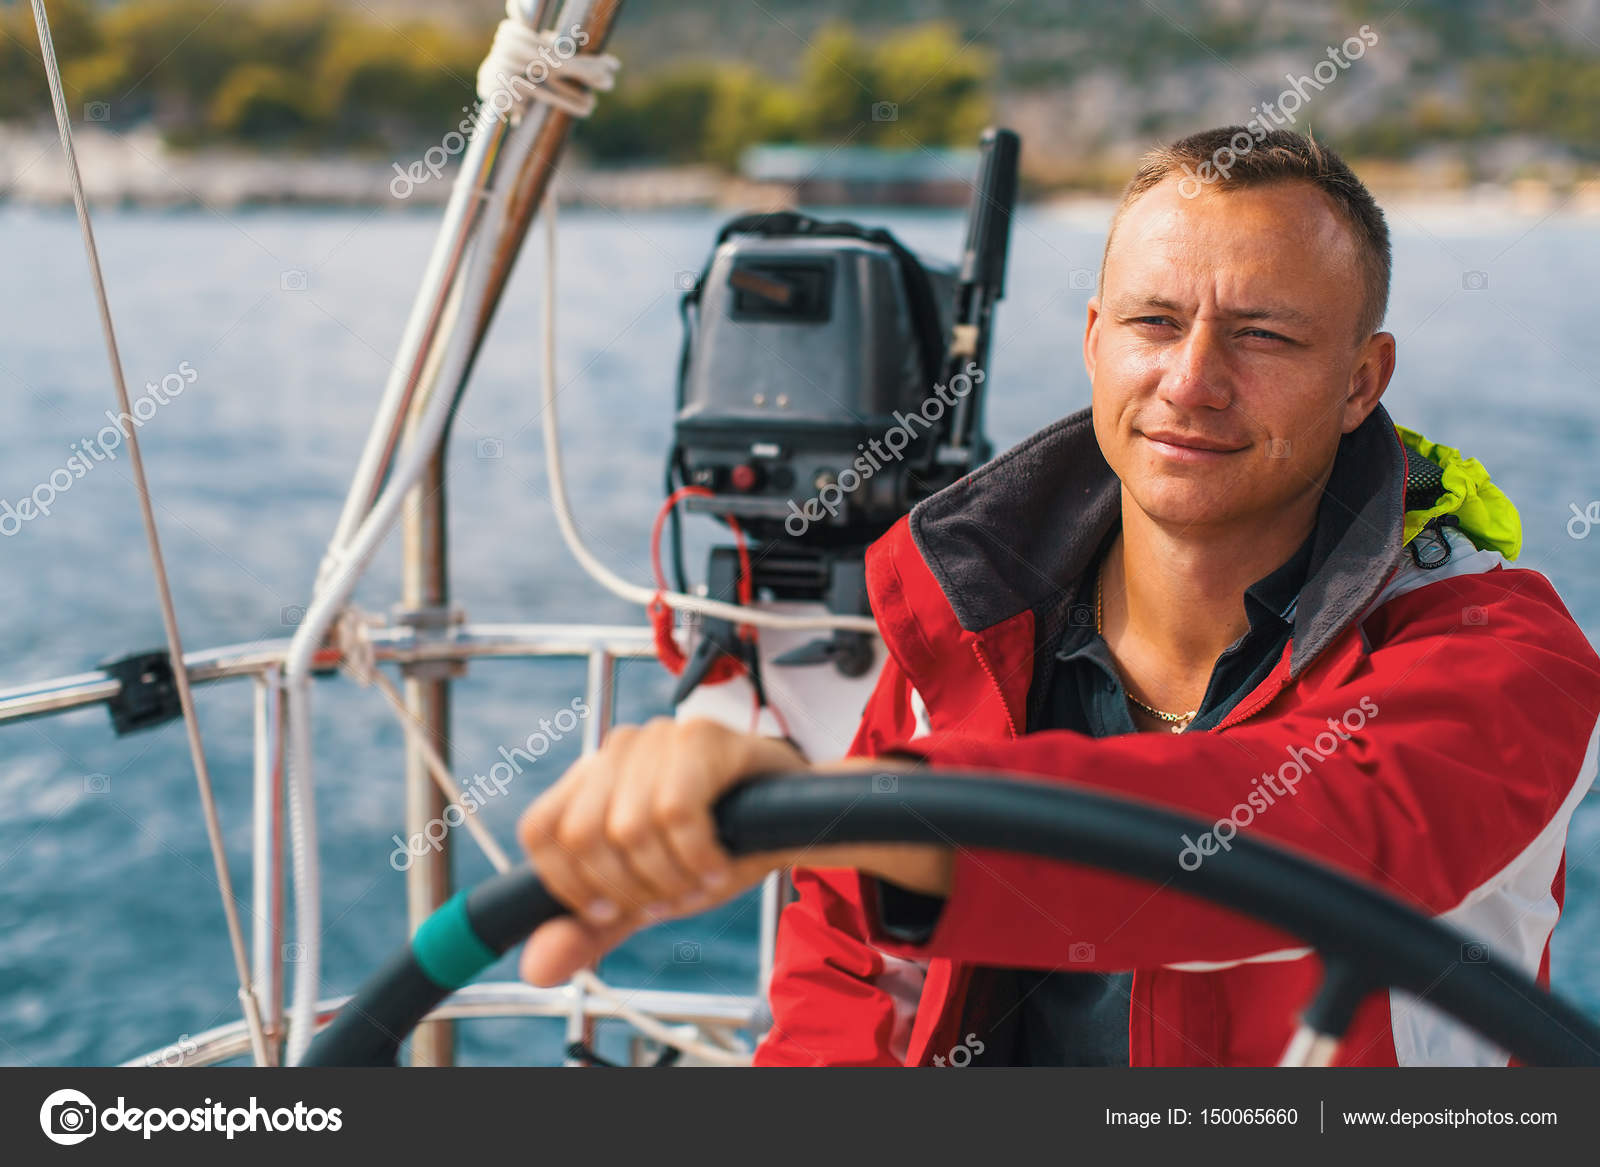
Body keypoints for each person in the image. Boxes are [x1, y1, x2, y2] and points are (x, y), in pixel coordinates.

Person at [514, 127, 1600, 1066]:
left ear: (1363, 380)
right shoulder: (960, 630)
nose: (1191, 380)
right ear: (1093, 341)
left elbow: (1317, 830)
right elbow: (848, 990)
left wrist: (867, 807)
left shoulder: (1499, 650)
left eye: (1262, 335)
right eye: (1153, 323)